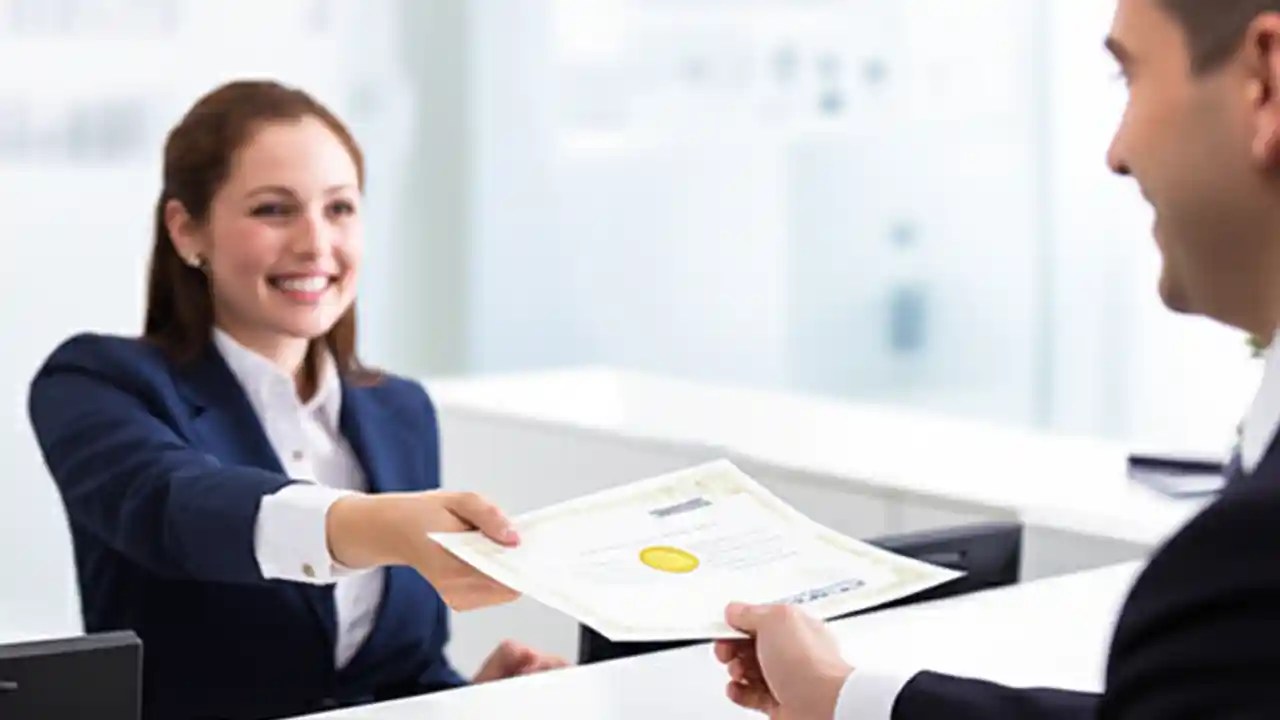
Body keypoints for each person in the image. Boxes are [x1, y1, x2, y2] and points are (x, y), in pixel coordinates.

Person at [714, 0, 1280, 718]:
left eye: (1129, 77)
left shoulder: (1243, 576)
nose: (1117, 152)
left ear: (1266, 82)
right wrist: (845, 698)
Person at [27, 80, 566, 720]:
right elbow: (177, 508)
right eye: (274, 210)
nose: (315, 243)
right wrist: (381, 527)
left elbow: (397, 672)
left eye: (339, 208)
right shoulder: (98, 382)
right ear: (187, 230)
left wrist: (471, 696)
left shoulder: (400, 412)